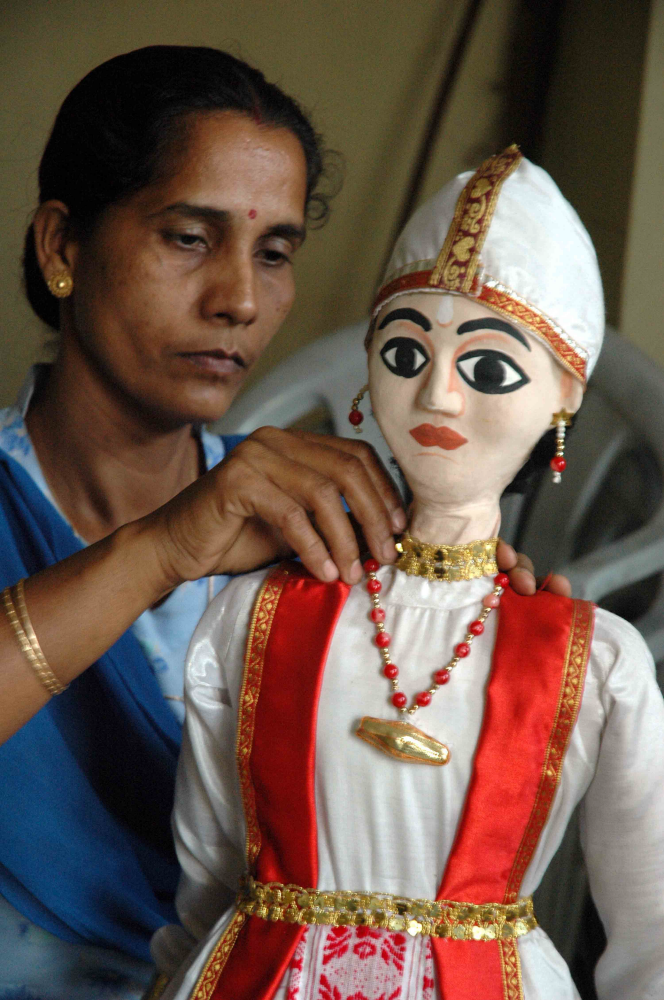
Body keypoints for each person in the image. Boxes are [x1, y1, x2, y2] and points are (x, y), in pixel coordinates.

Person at [0, 47, 542, 1000]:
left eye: (274, 252)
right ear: (62, 247)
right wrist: (165, 549)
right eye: (188, 237)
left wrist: (510, 669)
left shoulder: (326, 520)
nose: (241, 300)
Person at [152, 148, 664, 1000]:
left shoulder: (597, 663)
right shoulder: (253, 617)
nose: (438, 397)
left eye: (489, 368)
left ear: (564, 395)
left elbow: (651, 937)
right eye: (403, 353)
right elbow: (205, 888)